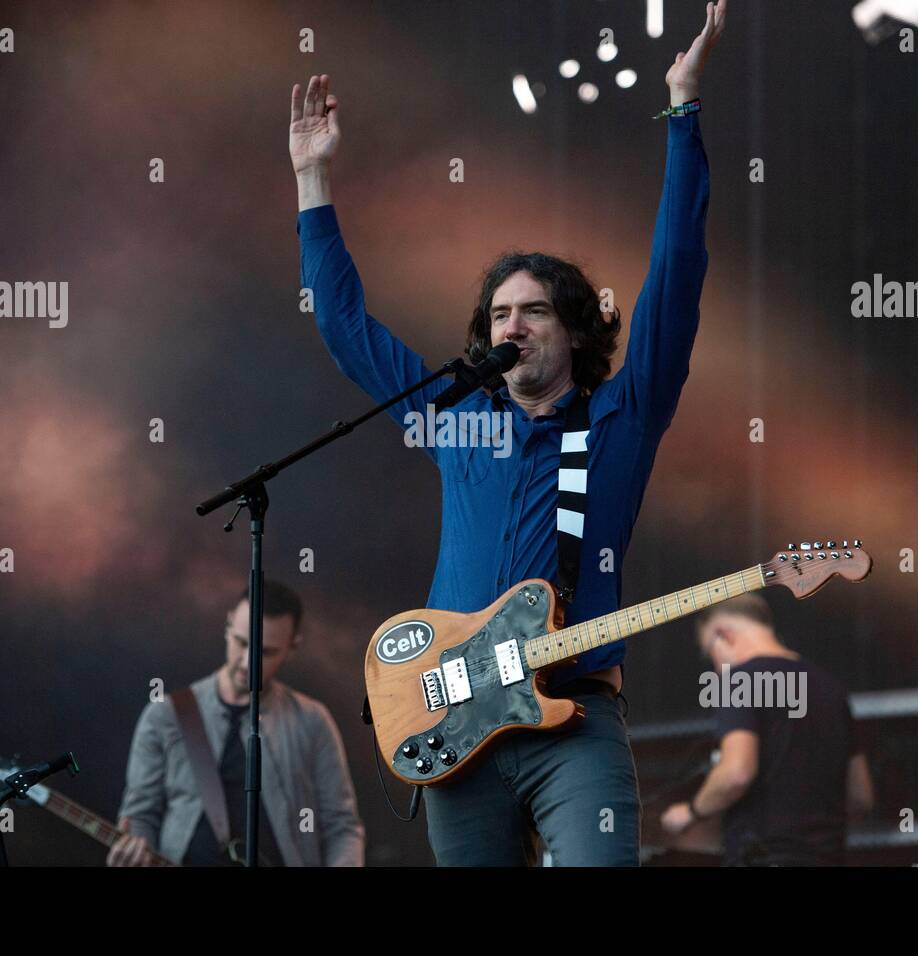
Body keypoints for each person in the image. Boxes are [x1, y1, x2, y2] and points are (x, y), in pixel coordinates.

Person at [290, 2, 727, 866]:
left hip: (577, 718)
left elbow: (676, 278)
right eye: (498, 314)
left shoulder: (619, 418)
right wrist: (313, 182)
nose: (511, 326)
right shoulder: (458, 418)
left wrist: (682, 112)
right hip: (457, 724)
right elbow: (345, 326)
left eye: (532, 311)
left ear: (574, 330)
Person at [108, 580, 365, 866]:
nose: (247, 662)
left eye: (266, 652)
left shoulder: (313, 721)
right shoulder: (165, 716)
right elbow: (140, 816)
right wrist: (134, 850)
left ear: (292, 648)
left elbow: (342, 827)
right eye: (241, 643)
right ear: (229, 624)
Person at [660, 593, 875, 865]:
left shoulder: (741, 679)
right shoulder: (832, 689)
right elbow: (860, 797)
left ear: (724, 634)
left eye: (709, 653)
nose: (714, 669)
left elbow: (736, 774)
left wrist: (690, 813)